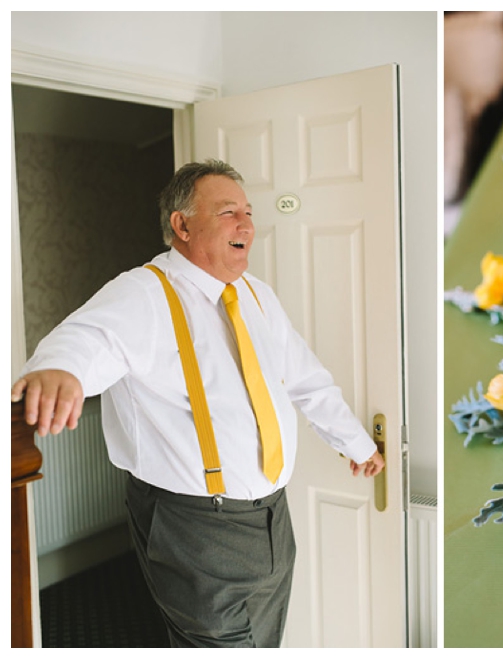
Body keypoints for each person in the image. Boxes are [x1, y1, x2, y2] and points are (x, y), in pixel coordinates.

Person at [10, 159, 385, 648]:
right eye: (229, 212)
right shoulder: (143, 292)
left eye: (248, 213)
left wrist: (356, 444)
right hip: (195, 526)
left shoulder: (257, 295)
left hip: (273, 517)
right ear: (181, 225)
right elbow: (87, 339)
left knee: (264, 643)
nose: (247, 225)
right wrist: (58, 368)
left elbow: (307, 379)